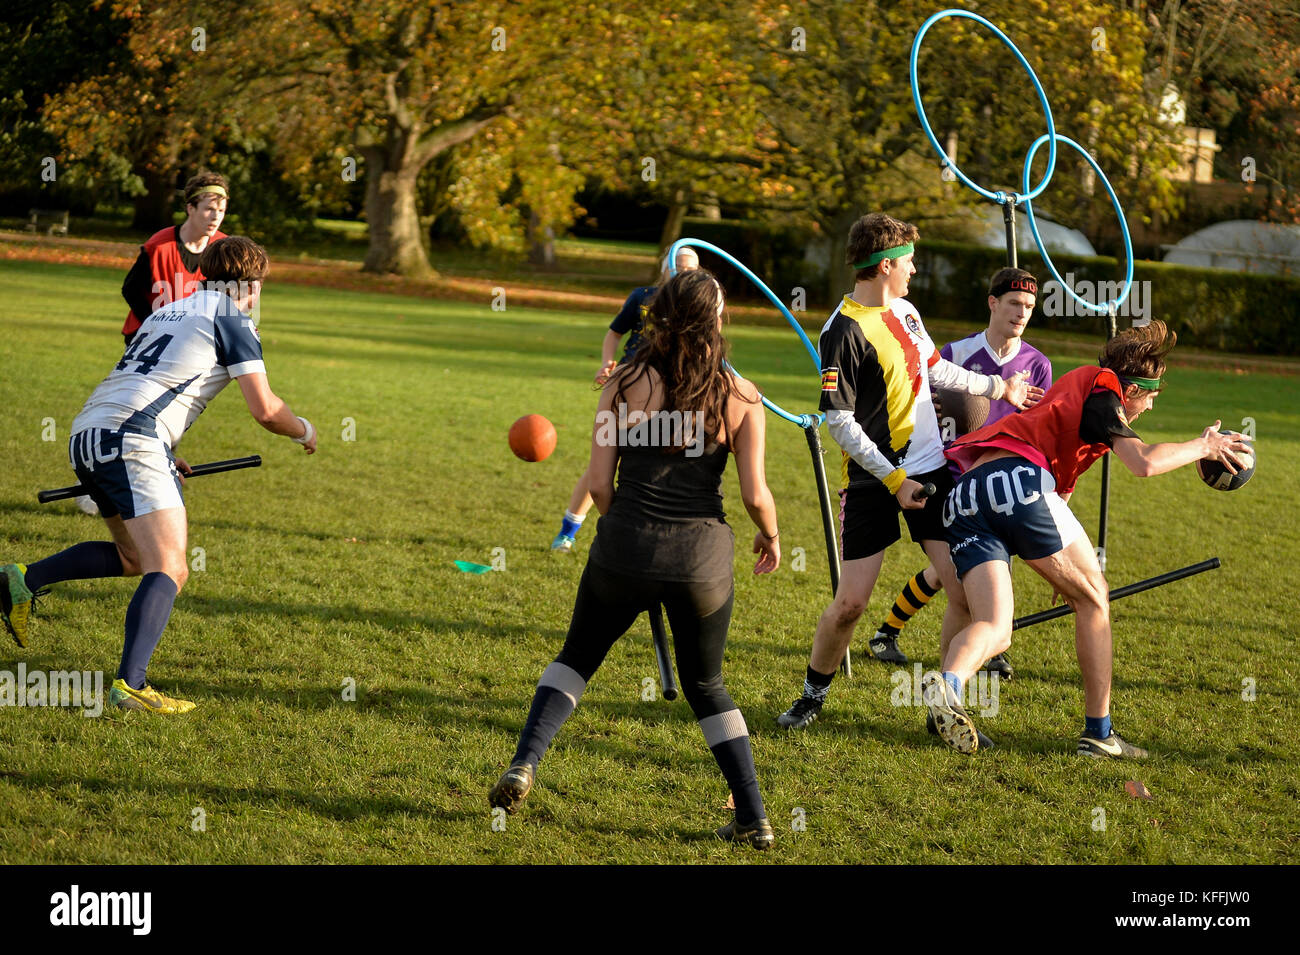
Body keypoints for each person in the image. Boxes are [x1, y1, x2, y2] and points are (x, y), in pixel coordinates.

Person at [493, 268, 782, 848]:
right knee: (709, 685)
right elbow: (755, 496)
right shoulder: (744, 395)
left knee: (576, 657)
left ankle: (524, 763)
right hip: (702, 561)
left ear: (660, 316)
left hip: (623, 547)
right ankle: (753, 816)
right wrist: (770, 536)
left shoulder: (624, 382)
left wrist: (622, 533)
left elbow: (600, 483)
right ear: (718, 321)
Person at [0, 237, 316, 713]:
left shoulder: (171, 309)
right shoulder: (233, 318)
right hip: (133, 439)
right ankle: (131, 686)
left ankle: (21, 581)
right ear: (251, 285)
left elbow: (154, 378)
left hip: (90, 431)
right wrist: (304, 431)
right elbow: (267, 410)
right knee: (169, 566)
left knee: (133, 556)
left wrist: (164, 450)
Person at [924, 319, 1251, 758]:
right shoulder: (1105, 387)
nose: (1150, 409)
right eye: (1151, 397)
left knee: (996, 628)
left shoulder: (1075, 393)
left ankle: (946, 691)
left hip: (966, 493)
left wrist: (1066, 572)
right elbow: (1144, 463)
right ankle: (1099, 734)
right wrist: (1204, 446)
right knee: (1095, 599)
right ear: (1132, 390)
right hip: (1017, 481)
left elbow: (1057, 490)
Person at [777, 213, 1043, 731]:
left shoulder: (907, 312)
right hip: (875, 482)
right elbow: (838, 420)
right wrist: (894, 481)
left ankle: (943, 708)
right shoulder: (843, 332)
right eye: (908, 262)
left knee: (962, 593)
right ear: (883, 266)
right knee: (851, 605)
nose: (914, 270)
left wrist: (999, 390)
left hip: (935, 474)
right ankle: (812, 695)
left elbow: (936, 370)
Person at [867, 266, 1053, 682]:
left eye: (1029, 306)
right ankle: (973, 652)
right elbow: (923, 405)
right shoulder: (955, 353)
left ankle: (900, 635)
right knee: (963, 572)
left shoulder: (1039, 366)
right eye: (1013, 304)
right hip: (951, 476)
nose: (1021, 313)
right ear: (992, 303)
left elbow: (1039, 431)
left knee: (967, 571)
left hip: (1004, 481)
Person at [550, 246, 700, 552]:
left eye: (690, 270)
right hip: (630, 385)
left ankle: (653, 533)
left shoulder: (696, 305)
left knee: (669, 460)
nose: (683, 273)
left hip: (673, 389)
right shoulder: (642, 297)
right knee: (606, 458)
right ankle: (568, 531)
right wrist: (607, 361)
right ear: (665, 269)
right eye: (678, 267)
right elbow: (614, 333)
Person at [120, 171, 230, 347]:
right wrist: (157, 323)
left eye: (221, 210)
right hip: (147, 335)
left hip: (194, 338)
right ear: (190, 208)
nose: (216, 217)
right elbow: (131, 289)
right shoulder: (159, 245)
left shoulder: (224, 248)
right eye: (209, 209)